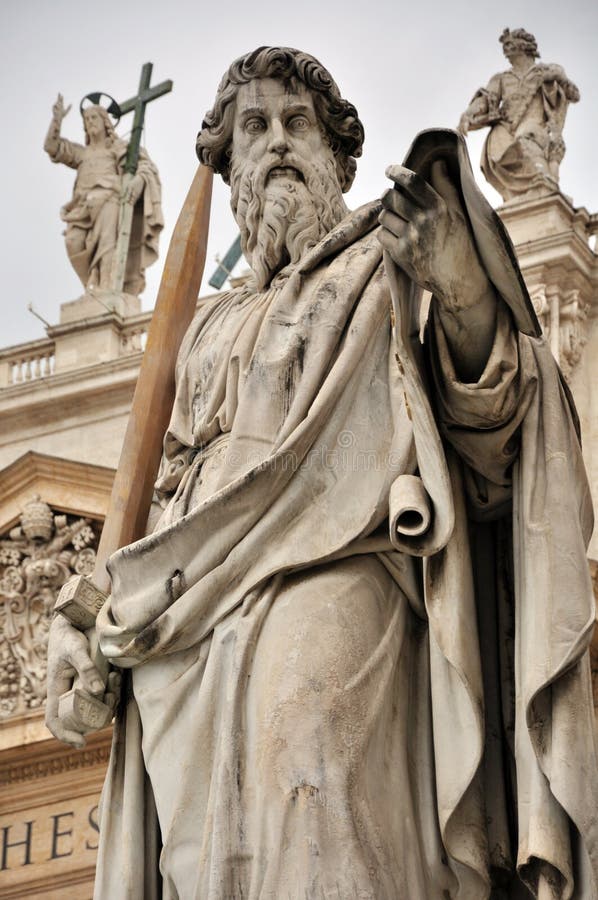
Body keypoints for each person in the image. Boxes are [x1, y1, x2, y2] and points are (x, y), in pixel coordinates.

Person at [46, 48, 597, 899]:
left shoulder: (388, 261)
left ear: (338, 156)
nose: (274, 145)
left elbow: (498, 425)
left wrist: (457, 284)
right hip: (193, 631)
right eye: (253, 130)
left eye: (295, 123)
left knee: (317, 781)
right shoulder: (206, 328)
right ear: (228, 175)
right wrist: (91, 621)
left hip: (334, 574)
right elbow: (157, 502)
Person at [44, 95, 163, 294]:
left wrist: (137, 181)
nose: (90, 122)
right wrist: (57, 120)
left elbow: (146, 166)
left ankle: (106, 289)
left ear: (105, 122)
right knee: (72, 242)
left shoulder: (117, 147)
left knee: (107, 244)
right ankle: (90, 287)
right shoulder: (81, 153)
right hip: (82, 207)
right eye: (87, 119)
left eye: (94, 118)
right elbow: (52, 147)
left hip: (110, 199)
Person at [458, 28, 580, 201]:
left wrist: (558, 79)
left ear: (523, 45)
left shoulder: (547, 70)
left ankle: (544, 184)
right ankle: (522, 195)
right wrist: (469, 114)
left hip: (535, 122)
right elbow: (486, 100)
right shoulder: (501, 78)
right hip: (505, 125)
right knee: (497, 153)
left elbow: (573, 95)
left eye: (509, 44)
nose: (505, 49)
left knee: (525, 141)